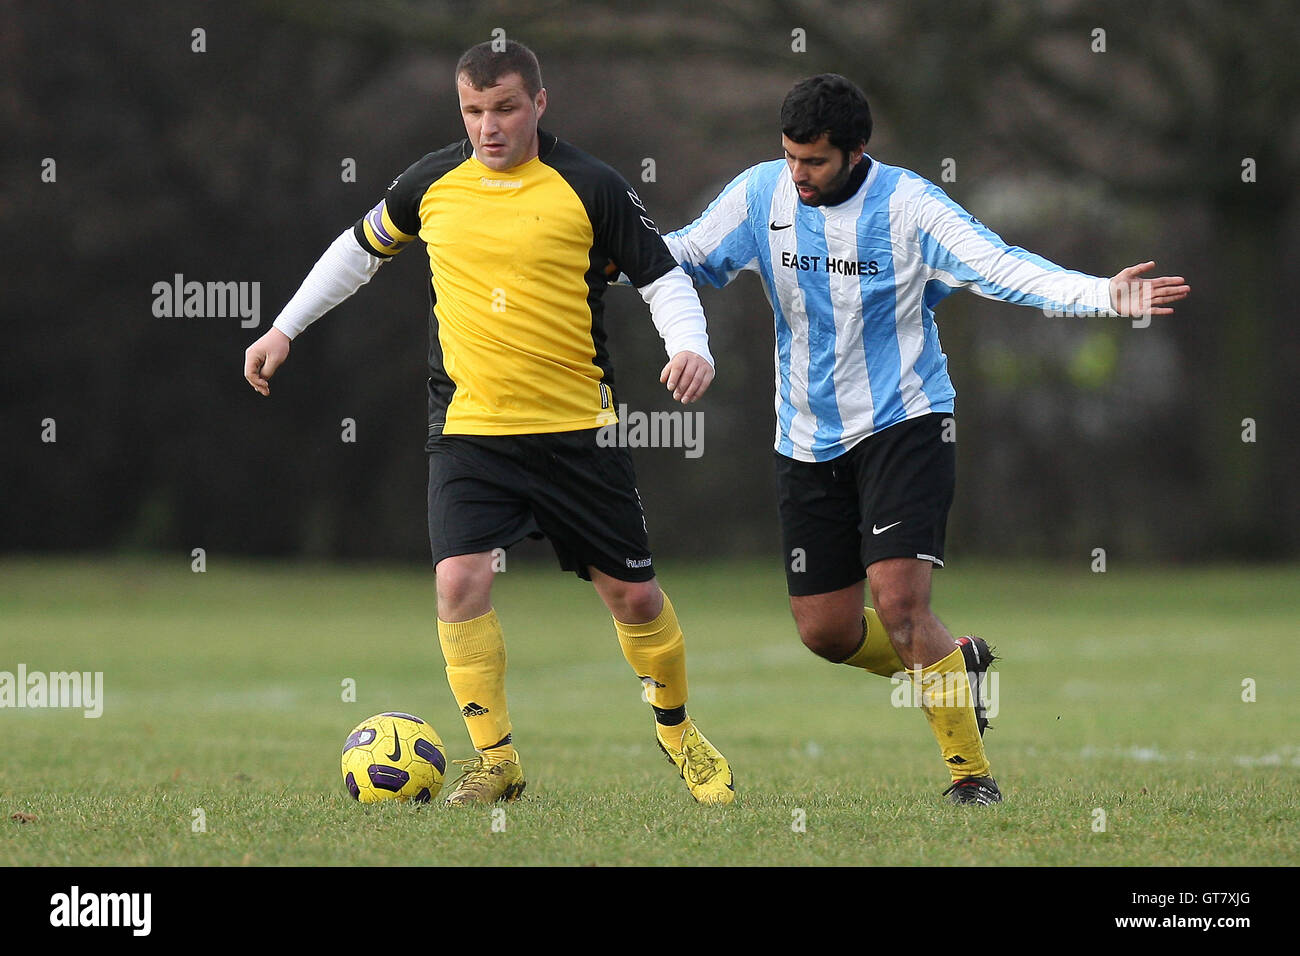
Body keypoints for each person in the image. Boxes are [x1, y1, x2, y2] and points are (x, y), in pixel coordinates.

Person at [662, 73, 1189, 805]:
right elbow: (679, 256)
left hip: (905, 423)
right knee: (826, 632)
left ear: (856, 151)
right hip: (805, 436)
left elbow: (1001, 267)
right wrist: (594, 255)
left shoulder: (911, 207)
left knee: (901, 604)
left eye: (813, 161)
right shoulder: (761, 195)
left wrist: (1102, 293)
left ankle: (971, 778)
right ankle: (954, 664)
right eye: (789, 157)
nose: (799, 175)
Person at [243, 40, 734, 806]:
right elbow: (357, 250)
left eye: (504, 108)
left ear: (539, 103)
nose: (488, 127)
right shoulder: (431, 183)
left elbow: (661, 274)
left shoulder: (591, 185)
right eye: (473, 111)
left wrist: (690, 346)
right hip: (470, 428)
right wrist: (284, 329)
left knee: (634, 599)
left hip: (579, 430)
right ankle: (496, 759)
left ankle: (677, 731)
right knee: (459, 581)